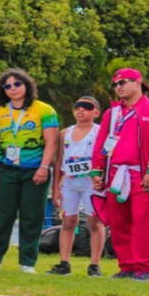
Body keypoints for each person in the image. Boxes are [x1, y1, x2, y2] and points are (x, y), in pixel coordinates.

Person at [91, 68, 149, 282]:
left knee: (142, 221)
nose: (119, 87)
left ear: (138, 83)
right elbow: (101, 143)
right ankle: (125, 265)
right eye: (115, 84)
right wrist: (97, 172)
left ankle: (143, 267)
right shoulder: (112, 113)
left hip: (142, 175)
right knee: (118, 222)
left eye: (123, 82)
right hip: (116, 174)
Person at [0, 69, 59, 274]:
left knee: (32, 216)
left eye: (17, 84)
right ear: (3, 90)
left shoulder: (45, 110)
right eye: (8, 86)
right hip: (5, 170)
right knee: (2, 216)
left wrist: (43, 167)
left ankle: (27, 262)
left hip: (34, 171)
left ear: (27, 85)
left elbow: (51, 142)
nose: (13, 89)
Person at [48, 96, 105, 277]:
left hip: (91, 183)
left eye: (87, 107)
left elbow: (107, 157)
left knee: (94, 222)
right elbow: (59, 161)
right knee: (68, 221)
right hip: (71, 182)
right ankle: (64, 262)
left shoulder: (100, 132)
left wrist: (102, 178)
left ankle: (94, 264)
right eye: (77, 107)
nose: (81, 111)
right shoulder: (65, 133)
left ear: (96, 112)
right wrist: (56, 187)